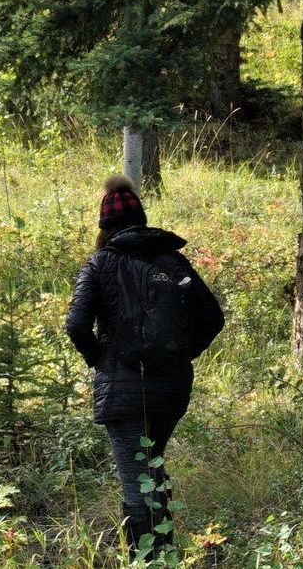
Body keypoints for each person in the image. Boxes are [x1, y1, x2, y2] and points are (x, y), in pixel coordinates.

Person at [63, 174, 224, 556]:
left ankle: (148, 559)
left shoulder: (100, 262)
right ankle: (162, 551)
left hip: (124, 388)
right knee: (151, 467)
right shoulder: (174, 261)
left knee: (137, 480)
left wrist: (101, 359)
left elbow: (76, 324)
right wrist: (180, 355)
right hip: (173, 388)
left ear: (105, 227)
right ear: (142, 219)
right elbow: (212, 319)